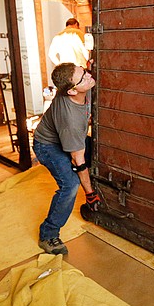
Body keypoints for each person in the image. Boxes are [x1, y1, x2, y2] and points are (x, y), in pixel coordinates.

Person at [32, 62, 102, 255]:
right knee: (70, 184)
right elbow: (78, 161)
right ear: (71, 91)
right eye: (83, 77)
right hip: (47, 145)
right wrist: (89, 193)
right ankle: (48, 234)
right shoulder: (70, 120)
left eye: (84, 71)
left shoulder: (78, 86)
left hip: (67, 138)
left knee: (100, 149)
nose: (89, 76)